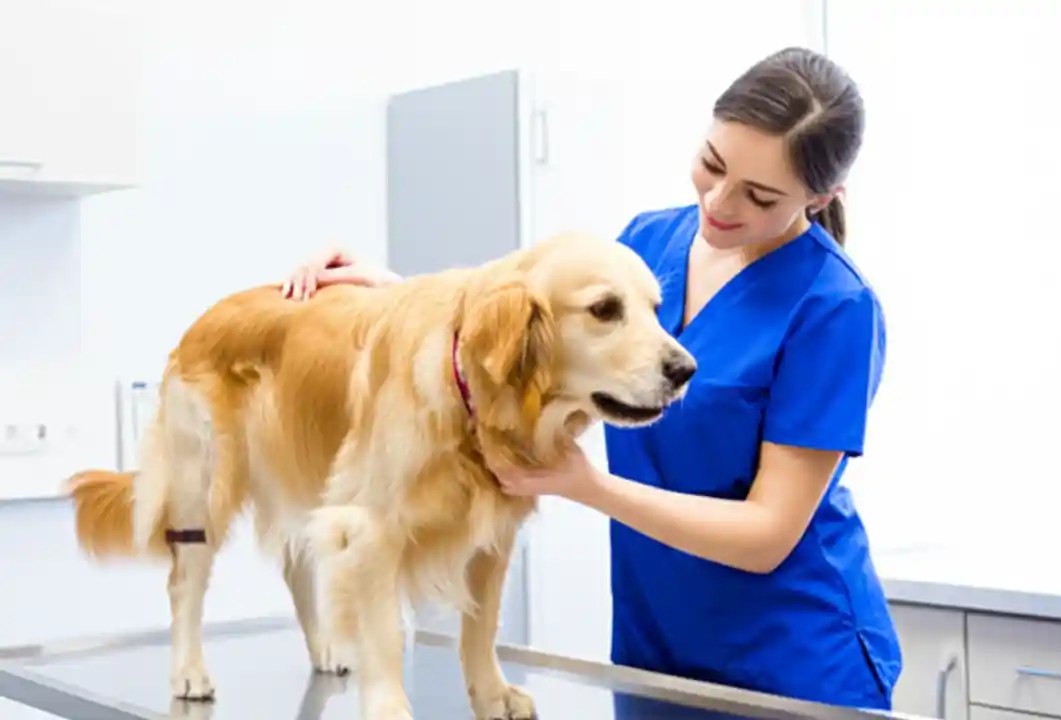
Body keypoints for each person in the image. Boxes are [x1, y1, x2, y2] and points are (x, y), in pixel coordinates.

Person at [283, 46, 900, 712]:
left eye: (759, 195)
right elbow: (542, 335)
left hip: (795, 664)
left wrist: (586, 486)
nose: (718, 203)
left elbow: (767, 533)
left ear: (821, 197)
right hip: (652, 646)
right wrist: (390, 297)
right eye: (713, 164)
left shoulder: (835, 307)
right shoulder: (648, 242)